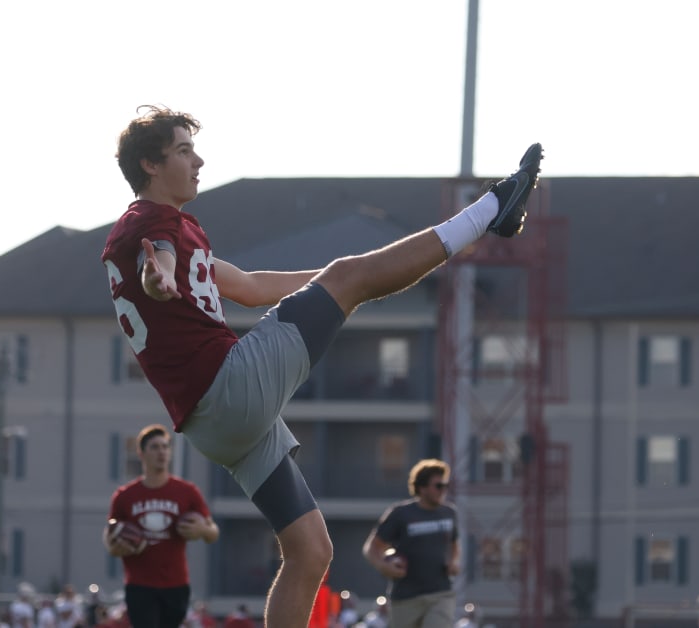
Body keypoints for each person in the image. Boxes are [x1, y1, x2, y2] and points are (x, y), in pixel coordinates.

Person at [101, 105, 541, 628]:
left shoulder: (161, 229)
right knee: (349, 278)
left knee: (310, 552)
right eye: (182, 151)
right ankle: (493, 209)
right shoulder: (151, 225)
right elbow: (161, 269)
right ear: (151, 165)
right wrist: (351, 282)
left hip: (214, 424)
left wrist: (349, 282)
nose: (198, 160)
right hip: (227, 388)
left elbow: (250, 286)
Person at [103, 424, 219, 628]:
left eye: (165, 447)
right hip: (140, 584)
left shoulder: (187, 491)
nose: (162, 452)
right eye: (155, 447)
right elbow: (110, 533)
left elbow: (213, 532)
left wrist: (203, 530)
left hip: (176, 583)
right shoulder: (125, 496)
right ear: (141, 453)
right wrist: (113, 546)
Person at [362, 459, 461, 628]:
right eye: (438, 486)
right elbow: (372, 548)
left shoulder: (449, 513)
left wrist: (453, 562)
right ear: (422, 488)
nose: (443, 490)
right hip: (406, 598)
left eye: (445, 485)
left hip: (440, 594)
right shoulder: (401, 514)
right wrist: (384, 567)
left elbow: (454, 545)